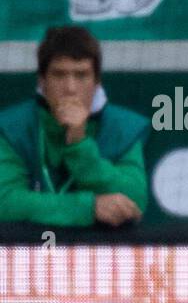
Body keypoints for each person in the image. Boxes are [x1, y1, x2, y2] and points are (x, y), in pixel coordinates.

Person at [0, 26, 147, 227]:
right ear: (42, 81)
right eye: (59, 75)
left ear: (96, 82)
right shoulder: (11, 127)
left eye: (81, 75)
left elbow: (135, 200)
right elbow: (5, 201)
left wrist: (79, 144)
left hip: (100, 253)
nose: (70, 88)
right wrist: (88, 207)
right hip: (28, 253)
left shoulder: (122, 127)